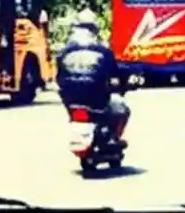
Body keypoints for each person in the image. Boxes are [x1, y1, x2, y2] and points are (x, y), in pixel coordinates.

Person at [55, 9, 131, 137]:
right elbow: (115, 70)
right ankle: (113, 137)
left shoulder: (64, 51)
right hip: (95, 97)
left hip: (69, 97)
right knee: (121, 110)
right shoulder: (101, 49)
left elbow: (58, 74)